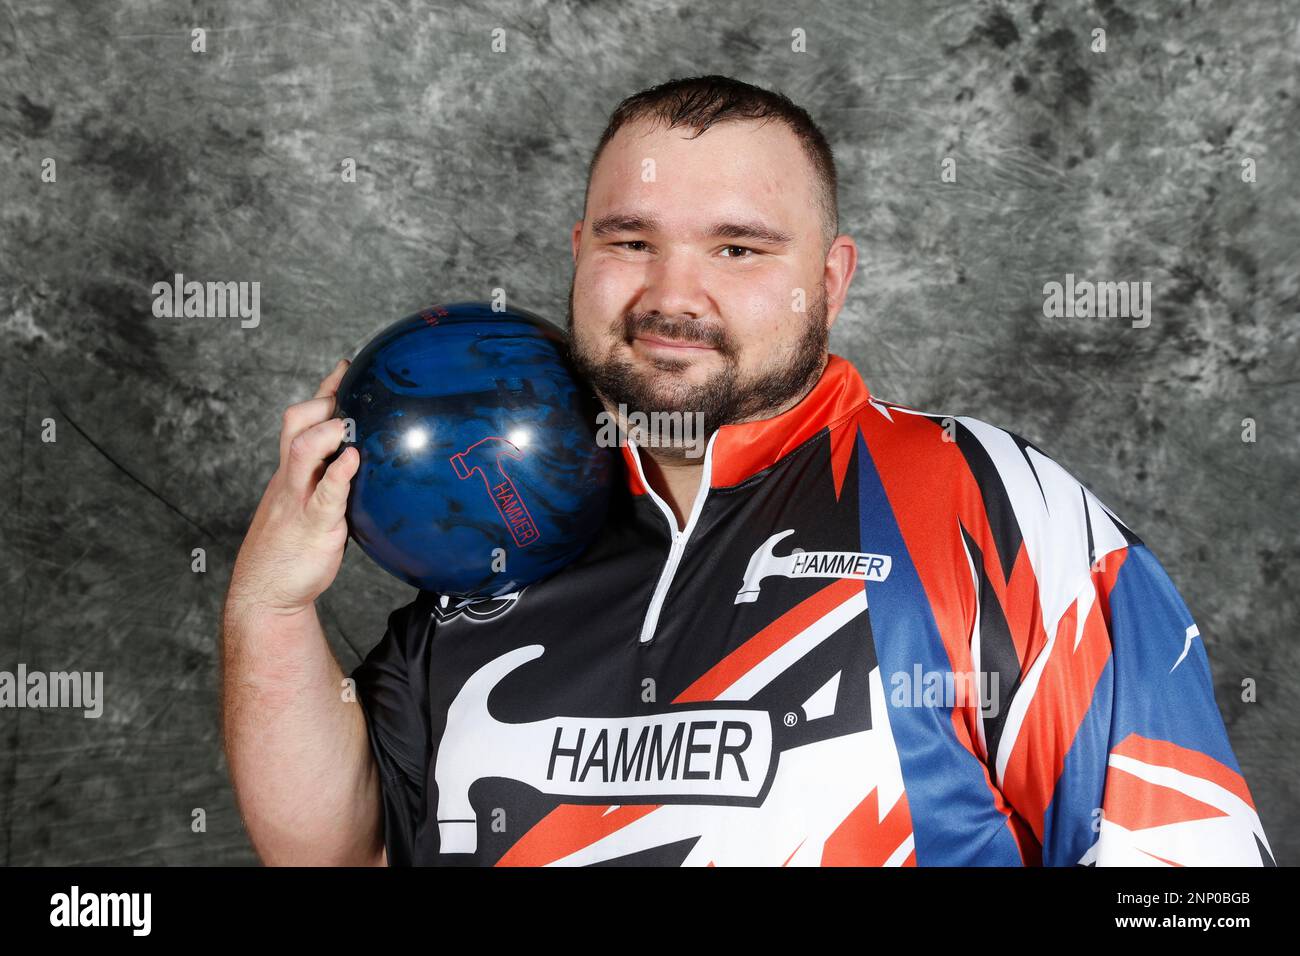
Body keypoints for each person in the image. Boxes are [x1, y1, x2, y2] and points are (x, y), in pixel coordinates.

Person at [221, 75, 1274, 866]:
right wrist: (269, 605)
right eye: (631, 240)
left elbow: (1190, 869)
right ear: (577, 249)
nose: (671, 295)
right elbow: (342, 850)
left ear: (830, 277)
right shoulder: (497, 526)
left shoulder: (985, 508)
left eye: (738, 249)